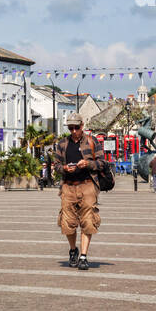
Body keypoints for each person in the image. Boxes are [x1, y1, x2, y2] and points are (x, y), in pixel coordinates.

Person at [54, 112, 102, 271]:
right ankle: (73, 250)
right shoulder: (62, 144)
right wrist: (65, 168)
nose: (74, 131)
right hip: (68, 186)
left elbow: (102, 163)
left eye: (76, 127)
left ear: (82, 125)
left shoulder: (92, 141)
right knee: (68, 222)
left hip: (87, 185)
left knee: (88, 220)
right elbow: (57, 166)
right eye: (71, 128)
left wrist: (87, 164)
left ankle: (83, 256)